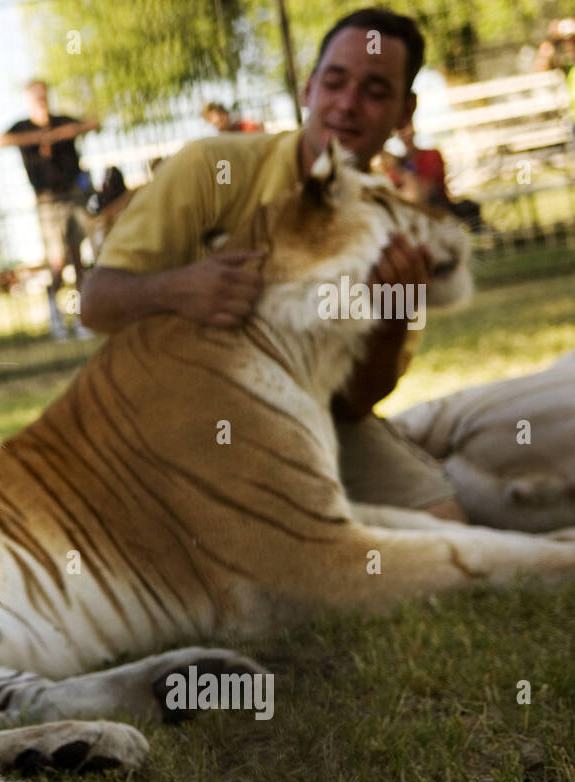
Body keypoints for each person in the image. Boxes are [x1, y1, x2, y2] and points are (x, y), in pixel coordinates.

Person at [82, 8, 469, 523]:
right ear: (308, 89)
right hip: (177, 418)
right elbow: (96, 303)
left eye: (376, 91)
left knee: (442, 521)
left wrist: (392, 322)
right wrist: (182, 289)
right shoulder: (210, 167)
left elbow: (351, 407)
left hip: (307, 423)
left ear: (405, 111)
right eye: (334, 82)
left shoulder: (396, 235)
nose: (347, 105)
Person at [0, 80, 100, 339]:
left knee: (78, 259)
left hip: (73, 195)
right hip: (48, 200)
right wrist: (38, 139)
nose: (41, 100)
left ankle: (80, 318)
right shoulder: (22, 127)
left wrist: (59, 135)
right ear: (29, 99)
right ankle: (55, 315)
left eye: (44, 95)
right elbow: (0, 141)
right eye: (36, 96)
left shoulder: (61, 121)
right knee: (57, 261)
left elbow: (94, 123)